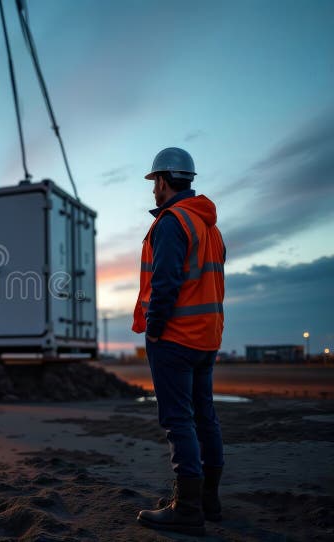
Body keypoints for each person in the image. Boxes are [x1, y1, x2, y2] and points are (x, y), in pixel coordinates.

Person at [132, 147, 226, 536]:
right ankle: (208, 501)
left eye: (155, 182)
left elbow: (166, 282)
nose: (154, 190)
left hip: (175, 337)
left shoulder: (172, 222)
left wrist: (154, 328)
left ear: (164, 181)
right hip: (207, 337)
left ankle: (186, 508)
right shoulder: (209, 225)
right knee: (204, 416)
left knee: (178, 421)